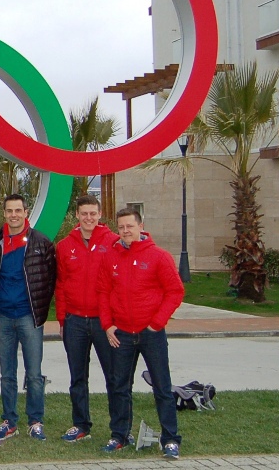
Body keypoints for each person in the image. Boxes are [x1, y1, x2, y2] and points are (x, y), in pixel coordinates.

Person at [98, 208, 185, 460]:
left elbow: (175, 291)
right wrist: (107, 325)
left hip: (151, 334)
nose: (125, 231)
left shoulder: (158, 256)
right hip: (121, 334)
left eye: (130, 226)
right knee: (119, 386)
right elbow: (103, 291)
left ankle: (170, 440)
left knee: (162, 387)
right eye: (121, 227)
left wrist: (157, 323)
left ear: (141, 226)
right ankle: (120, 435)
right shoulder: (111, 256)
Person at [0, 194, 56, 442]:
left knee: (34, 374)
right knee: (7, 374)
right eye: (9, 211)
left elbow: (50, 280)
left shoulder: (41, 242)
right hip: (3, 316)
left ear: (26, 212)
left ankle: (35, 421)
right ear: (4, 213)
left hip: (29, 316)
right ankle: (9, 420)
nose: (14, 215)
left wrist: (39, 310)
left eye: (18, 210)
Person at [56, 194, 121, 443]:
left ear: (100, 214)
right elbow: (60, 285)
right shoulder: (65, 246)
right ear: (77, 215)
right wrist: (62, 319)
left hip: (104, 323)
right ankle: (81, 424)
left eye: (93, 213)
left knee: (113, 377)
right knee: (77, 377)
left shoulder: (114, 242)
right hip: (74, 321)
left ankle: (118, 429)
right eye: (84, 213)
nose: (89, 218)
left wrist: (113, 320)